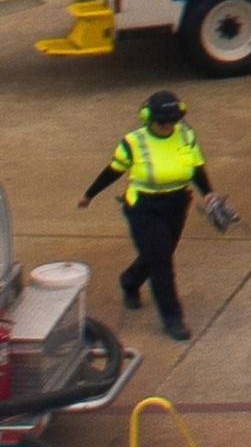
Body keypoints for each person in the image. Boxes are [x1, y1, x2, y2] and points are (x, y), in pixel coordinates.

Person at [76, 89, 233, 341]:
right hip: (144, 207)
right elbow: (113, 170)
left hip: (177, 203)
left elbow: (196, 168)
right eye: (162, 122)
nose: (167, 126)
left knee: (161, 252)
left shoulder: (185, 135)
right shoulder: (134, 142)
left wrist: (208, 194)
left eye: (172, 120)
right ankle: (173, 319)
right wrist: (89, 195)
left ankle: (130, 280)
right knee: (161, 263)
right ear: (148, 118)